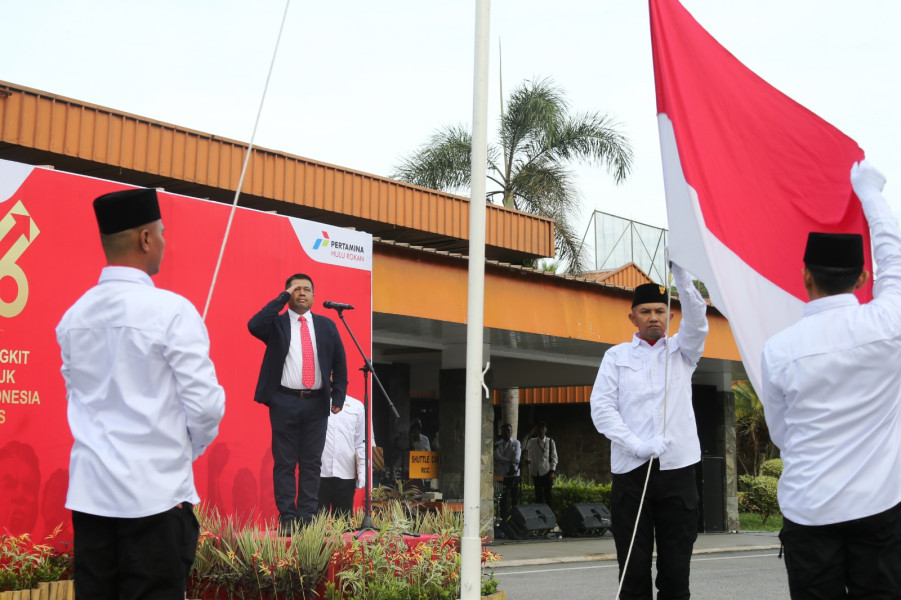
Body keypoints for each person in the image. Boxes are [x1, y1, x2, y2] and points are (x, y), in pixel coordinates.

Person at [55, 188, 225, 599]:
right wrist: (188, 450)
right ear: (146, 239)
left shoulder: (74, 316)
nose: (165, 241)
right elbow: (205, 405)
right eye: (161, 232)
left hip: (92, 498)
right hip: (156, 499)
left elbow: (75, 396)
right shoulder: (172, 311)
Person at [760, 160, 901, 599]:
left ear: (805, 276)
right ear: (862, 279)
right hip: (879, 507)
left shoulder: (778, 350)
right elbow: (894, 259)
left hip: (809, 510)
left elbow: (782, 434)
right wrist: (870, 194)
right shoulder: (888, 326)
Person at [590, 266, 709, 600]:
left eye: (660, 311)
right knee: (632, 571)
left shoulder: (683, 352)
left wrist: (683, 278)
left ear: (670, 315)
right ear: (632, 318)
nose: (654, 317)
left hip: (678, 472)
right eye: (645, 311)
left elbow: (698, 321)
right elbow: (602, 409)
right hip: (631, 472)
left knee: (675, 573)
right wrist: (636, 445)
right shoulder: (616, 357)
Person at [248, 273, 348, 532]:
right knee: (285, 462)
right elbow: (254, 324)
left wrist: (338, 395)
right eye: (296, 289)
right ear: (288, 294)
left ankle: (306, 517)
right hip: (285, 401)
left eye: (307, 289)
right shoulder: (277, 325)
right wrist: (281, 298)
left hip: (317, 403)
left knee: (312, 462)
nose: (302, 293)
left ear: (314, 295)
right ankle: (287, 517)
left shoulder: (327, 326)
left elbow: (340, 361)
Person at [318, 395, 366, 518]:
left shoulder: (357, 406)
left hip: (346, 474)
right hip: (318, 473)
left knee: (343, 526)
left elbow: (361, 443)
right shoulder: (315, 403)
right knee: (315, 525)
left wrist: (362, 470)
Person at [523, 421, 557, 506]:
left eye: (543, 428)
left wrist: (552, 471)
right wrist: (529, 434)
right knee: (538, 497)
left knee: (548, 495)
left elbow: (554, 457)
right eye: (539, 429)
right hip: (536, 472)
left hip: (547, 471)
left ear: (545, 430)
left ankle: (549, 515)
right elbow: (523, 447)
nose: (541, 430)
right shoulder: (532, 441)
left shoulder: (550, 441)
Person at [493, 423, 521, 521]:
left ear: (511, 432)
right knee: (503, 499)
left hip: (514, 475)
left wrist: (509, 462)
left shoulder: (516, 443)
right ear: (501, 432)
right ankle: (503, 520)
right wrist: (510, 460)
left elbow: (516, 459)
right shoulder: (497, 444)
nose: (506, 432)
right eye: (504, 430)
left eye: (508, 430)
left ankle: (515, 520)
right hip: (502, 475)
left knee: (514, 499)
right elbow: (496, 457)